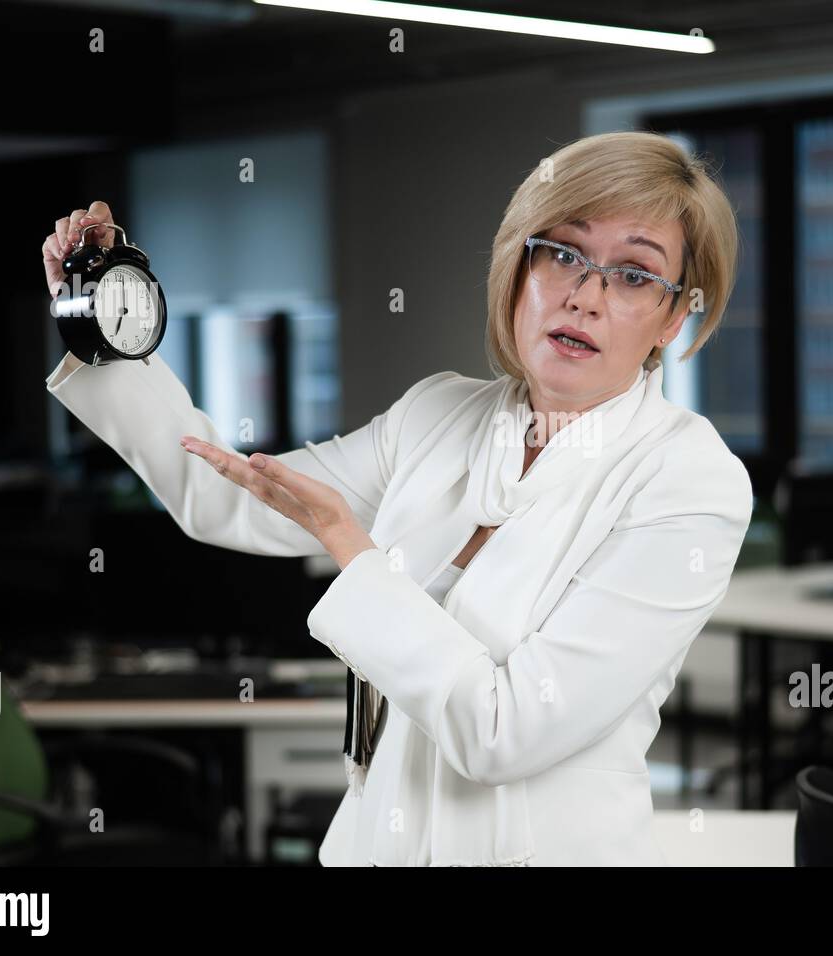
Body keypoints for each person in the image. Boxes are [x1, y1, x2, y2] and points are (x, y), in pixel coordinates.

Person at [40, 130, 753, 866]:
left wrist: (354, 550)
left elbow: (505, 733)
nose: (585, 296)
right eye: (564, 253)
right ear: (520, 266)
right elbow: (226, 496)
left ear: (674, 318)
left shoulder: (688, 478)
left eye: (635, 275)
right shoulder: (438, 413)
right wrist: (101, 320)